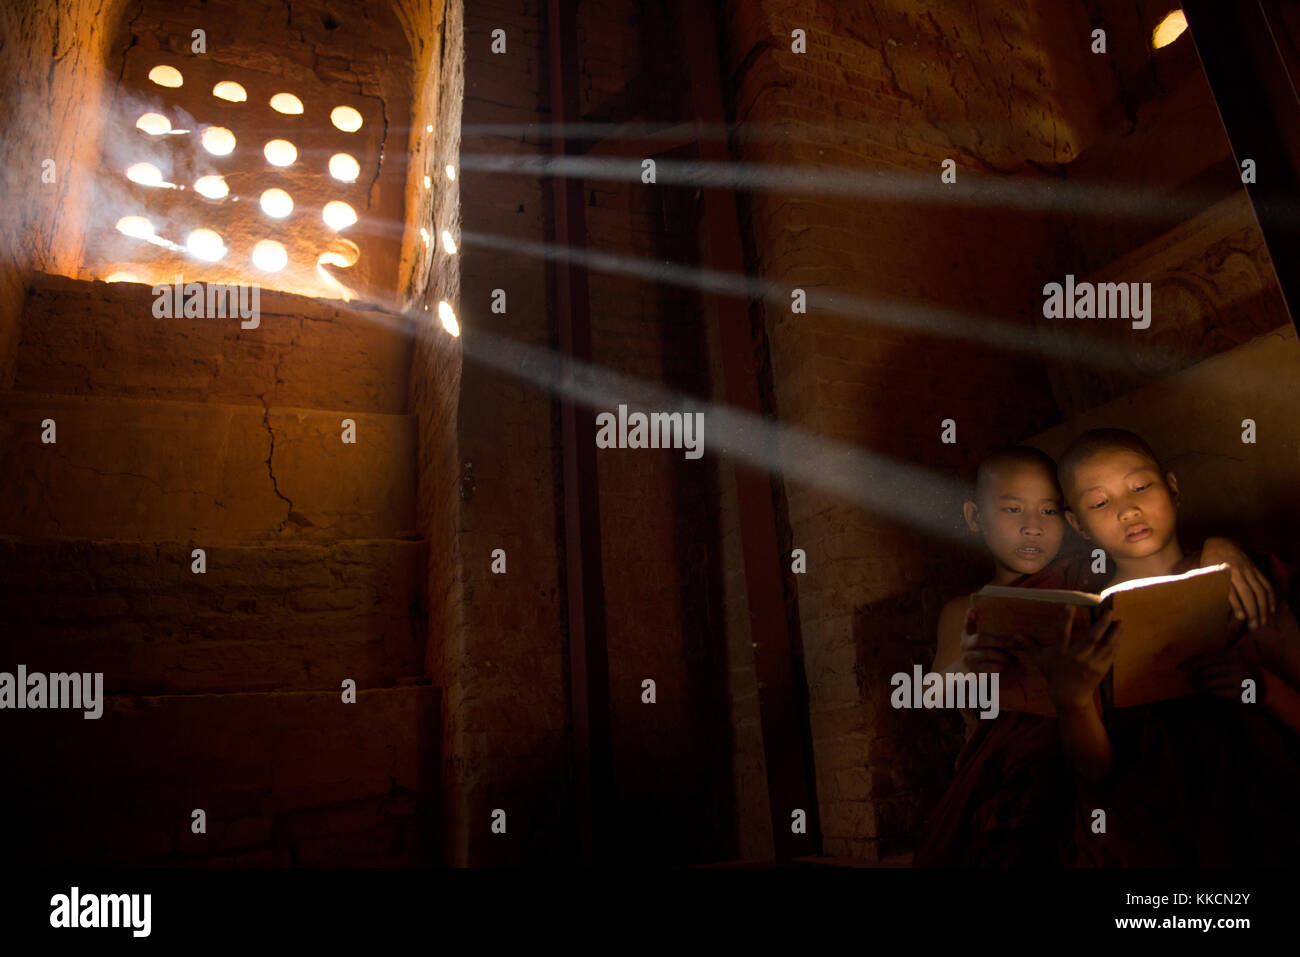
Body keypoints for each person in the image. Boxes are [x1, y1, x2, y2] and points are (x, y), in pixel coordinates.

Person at [914, 441, 1276, 866]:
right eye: (1013, 510)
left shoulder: (1086, 573)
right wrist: (969, 666)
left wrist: (1222, 546)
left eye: (1048, 511)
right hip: (1023, 769)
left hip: (1107, 744)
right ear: (975, 516)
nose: (1033, 527)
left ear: (1069, 523)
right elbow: (930, 696)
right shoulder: (967, 607)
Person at [1004, 429, 1300, 865]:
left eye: (1141, 486)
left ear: (1173, 488)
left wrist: (1261, 686)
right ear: (1077, 525)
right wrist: (1073, 703)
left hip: (1255, 798)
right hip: (1142, 818)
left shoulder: (1241, 579)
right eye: (1100, 502)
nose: (1129, 510)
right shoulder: (1086, 618)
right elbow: (1095, 780)